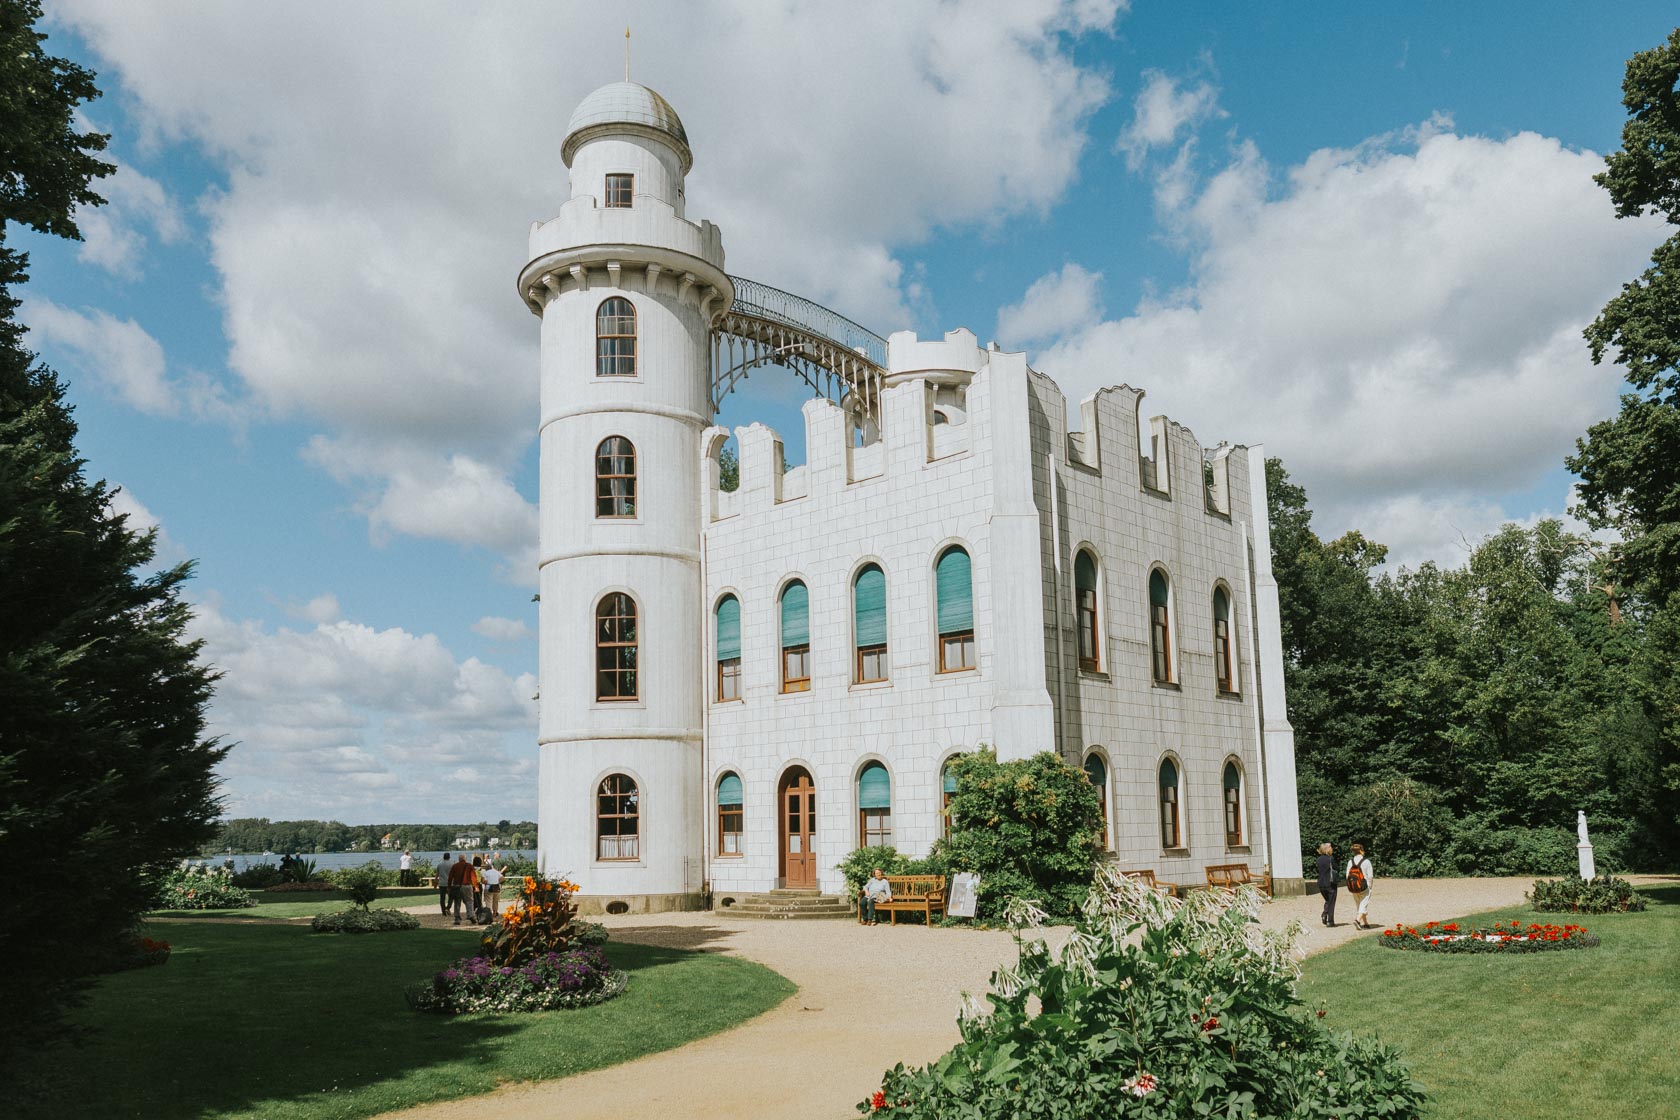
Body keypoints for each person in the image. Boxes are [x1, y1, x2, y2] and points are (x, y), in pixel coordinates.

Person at [1346, 843, 1375, 930]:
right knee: (1363, 904)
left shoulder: (1350, 862)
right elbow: (1370, 876)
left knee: (1360, 905)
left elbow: (1347, 876)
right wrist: (1370, 886)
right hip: (1364, 886)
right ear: (1361, 850)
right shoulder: (1366, 861)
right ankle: (1358, 920)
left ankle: (1365, 923)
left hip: (1354, 887)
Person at [448, 852, 476, 926]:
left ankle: (457, 918)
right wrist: (475, 886)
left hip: (457, 886)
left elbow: (450, 877)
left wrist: (449, 887)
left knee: (457, 902)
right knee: (469, 901)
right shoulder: (469, 866)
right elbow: (473, 876)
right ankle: (470, 914)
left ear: (459, 859)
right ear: (465, 859)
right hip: (467, 885)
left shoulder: (455, 866)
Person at [1315, 842, 1337, 927]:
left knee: (1328, 900)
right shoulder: (1330, 859)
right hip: (1330, 883)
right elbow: (1336, 868)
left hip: (1321, 884)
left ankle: (1324, 914)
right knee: (1331, 902)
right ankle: (1330, 921)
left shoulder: (1318, 859)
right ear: (1327, 849)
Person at [481, 859, 503, 923]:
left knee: (489, 901)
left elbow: (483, 881)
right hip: (496, 887)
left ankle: (489, 914)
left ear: (486, 868)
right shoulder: (496, 872)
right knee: (495, 901)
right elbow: (502, 878)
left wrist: (487, 882)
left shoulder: (485, 873)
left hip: (489, 888)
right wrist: (497, 882)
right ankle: (495, 912)